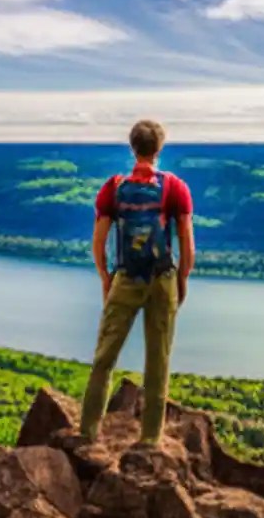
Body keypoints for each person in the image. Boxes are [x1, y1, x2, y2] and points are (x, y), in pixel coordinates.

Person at [79, 119, 195, 445]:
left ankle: (88, 432)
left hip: (126, 278)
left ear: (132, 147)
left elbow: (99, 241)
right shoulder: (175, 187)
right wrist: (182, 279)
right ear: (159, 149)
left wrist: (106, 277)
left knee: (105, 357)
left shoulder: (113, 187)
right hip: (163, 279)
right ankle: (150, 440)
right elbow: (187, 243)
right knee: (158, 361)